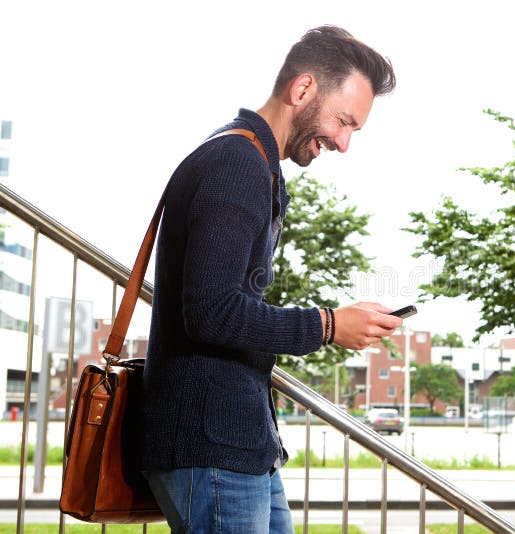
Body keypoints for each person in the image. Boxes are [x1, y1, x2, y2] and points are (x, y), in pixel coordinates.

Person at [140, 26, 402, 533]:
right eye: (343, 121)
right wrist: (328, 325)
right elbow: (212, 311)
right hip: (213, 445)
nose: (344, 144)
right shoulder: (236, 163)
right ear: (302, 90)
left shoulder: (251, 160)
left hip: (240, 442)